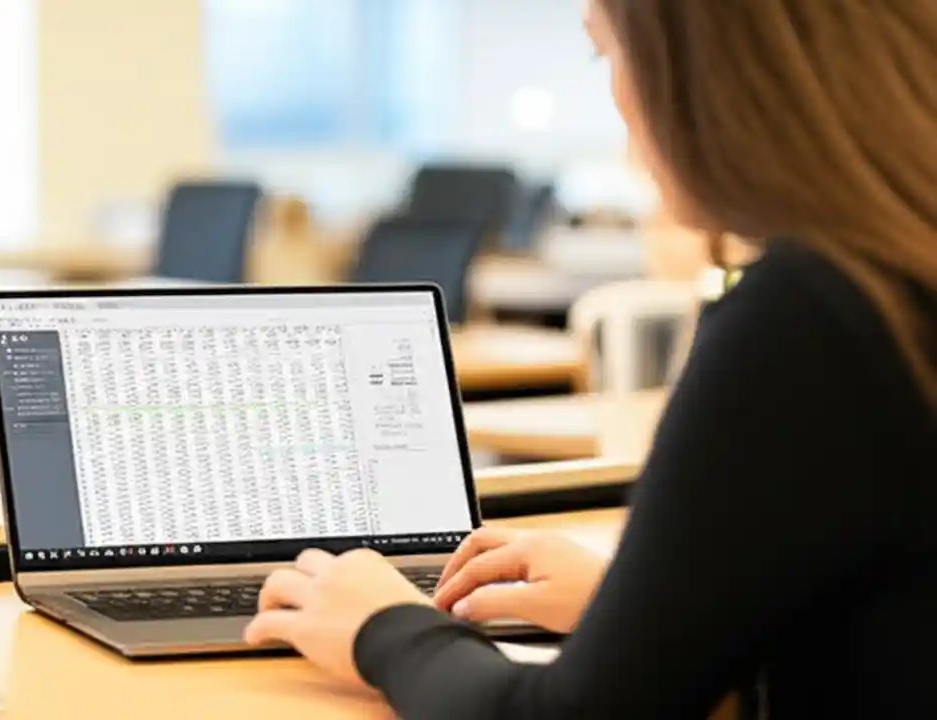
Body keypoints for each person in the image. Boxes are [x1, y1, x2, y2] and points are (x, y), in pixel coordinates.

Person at [244, 1, 937, 717]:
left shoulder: (812, 316)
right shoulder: (898, 279)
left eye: (606, 54)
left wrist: (385, 627)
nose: (618, 104)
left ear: (698, 69)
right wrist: (642, 611)